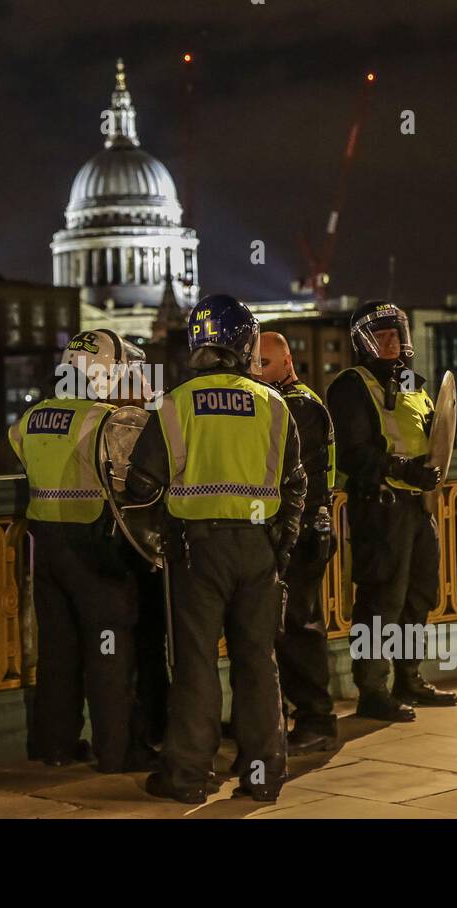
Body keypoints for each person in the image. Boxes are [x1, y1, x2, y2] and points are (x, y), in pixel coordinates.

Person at [125, 295, 306, 803]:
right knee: (258, 660)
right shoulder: (274, 404)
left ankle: (186, 777)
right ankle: (263, 775)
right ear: (246, 344)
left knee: (196, 662)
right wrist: (281, 546)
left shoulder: (175, 404)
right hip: (259, 550)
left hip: (195, 551)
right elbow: (296, 483)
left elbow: (142, 484)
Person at [8, 329, 157, 772]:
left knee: (57, 649)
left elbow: (18, 448)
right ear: (105, 373)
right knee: (110, 650)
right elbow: (139, 477)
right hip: (95, 547)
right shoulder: (106, 420)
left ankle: (56, 745)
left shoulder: (32, 416)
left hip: (45, 546)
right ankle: (117, 751)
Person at [325, 301, 457, 722]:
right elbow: (352, 453)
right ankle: (372, 689)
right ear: (364, 341)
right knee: (380, 601)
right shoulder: (351, 384)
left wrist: (427, 474)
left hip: (419, 507)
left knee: (418, 597)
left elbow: (436, 438)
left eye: (397, 333)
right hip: (379, 508)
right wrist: (400, 469)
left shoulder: (415, 385)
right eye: (384, 335)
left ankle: (409, 678)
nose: (394, 342)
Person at [258, 332, 339, 753]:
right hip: (297, 529)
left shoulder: (299, 407)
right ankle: (294, 716)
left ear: (287, 361)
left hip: (305, 531)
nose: (258, 372)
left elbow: (281, 475)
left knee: (299, 626)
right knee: (288, 627)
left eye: (266, 364)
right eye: (253, 364)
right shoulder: (285, 402)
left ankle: (316, 720)